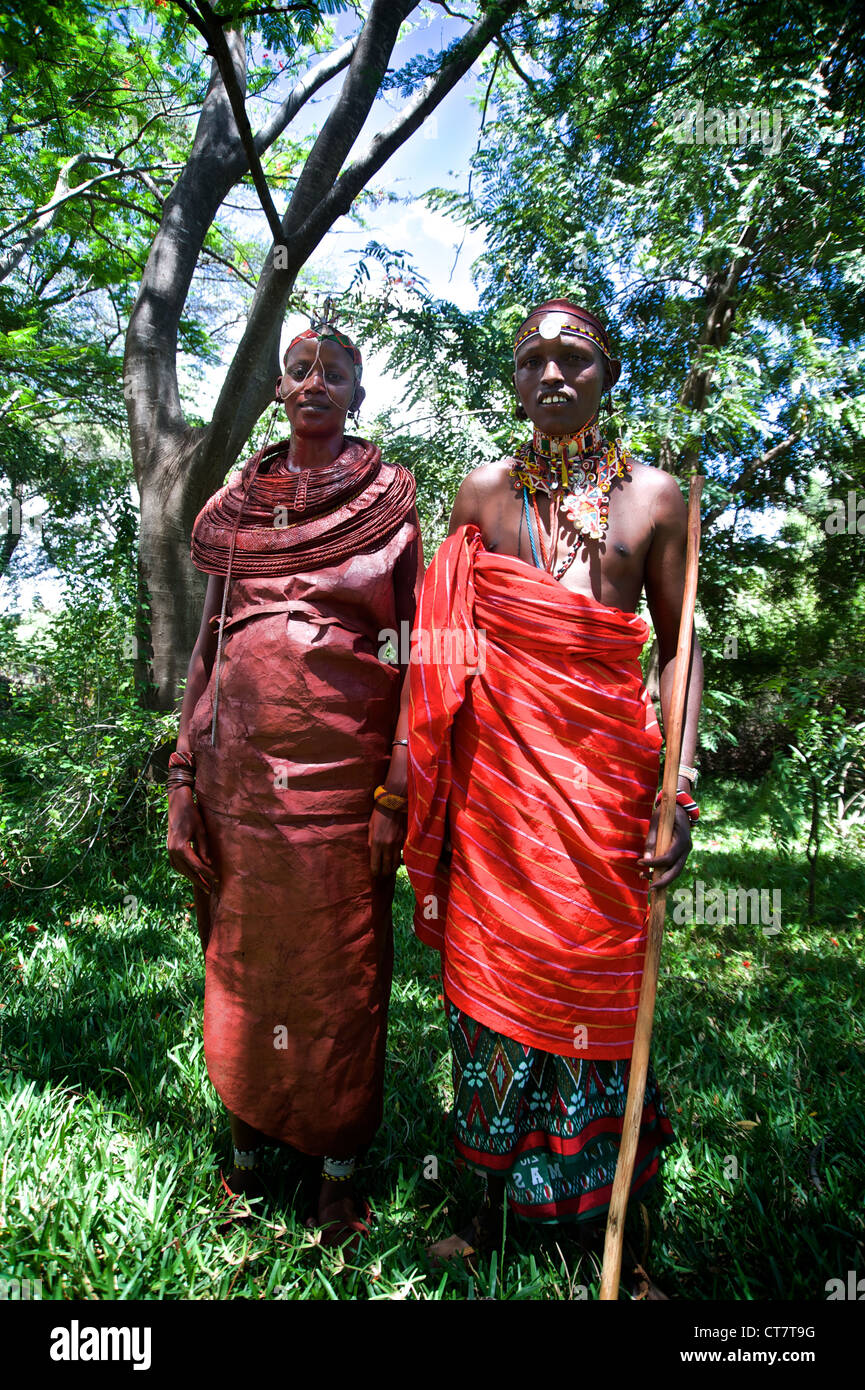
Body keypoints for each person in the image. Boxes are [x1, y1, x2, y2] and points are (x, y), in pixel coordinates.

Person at [404, 299, 703, 1292]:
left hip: (609, 788)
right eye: (530, 357)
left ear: (607, 371)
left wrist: (677, 788)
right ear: (516, 380)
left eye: (572, 354)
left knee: (600, 991)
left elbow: (678, 646)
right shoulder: (483, 493)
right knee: (490, 1004)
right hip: (499, 789)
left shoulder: (658, 497)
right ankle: (476, 1210)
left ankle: (607, 1230)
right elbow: (443, 636)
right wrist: (421, 766)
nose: (550, 370)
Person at [166, 315, 423, 1244]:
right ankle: (245, 1145)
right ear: (280, 387)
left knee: (338, 973)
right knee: (242, 966)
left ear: (358, 393)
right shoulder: (235, 512)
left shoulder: (390, 502)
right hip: (236, 786)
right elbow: (206, 646)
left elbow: (415, 650)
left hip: (342, 786)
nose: (315, 382)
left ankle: (336, 1176)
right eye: (299, 368)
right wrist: (182, 776)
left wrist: (397, 790)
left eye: (337, 372)